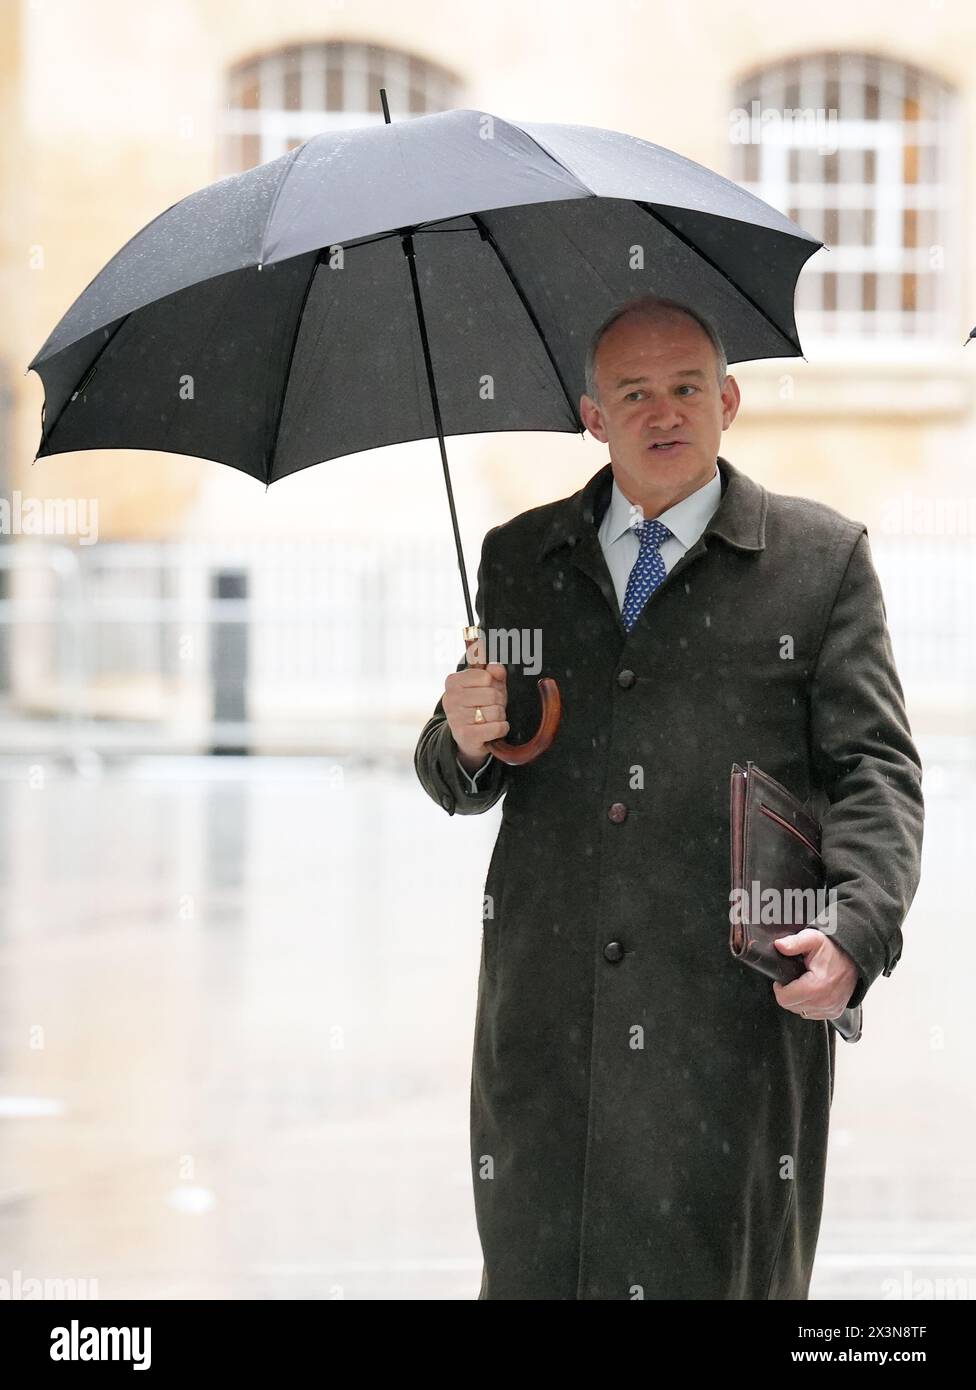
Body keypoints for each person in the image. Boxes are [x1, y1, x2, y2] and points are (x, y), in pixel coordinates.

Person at [414, 294, 924, 1300]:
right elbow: (461, 760)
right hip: (551, 1020)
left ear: (727, 399)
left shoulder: (818, 566)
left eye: (686, 386)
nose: (664, 412)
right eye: (633, 392)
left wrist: (857, 927)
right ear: (593, 417)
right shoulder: (524, 560)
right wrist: (461, 735)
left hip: (729, 1022)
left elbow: (875, 768)